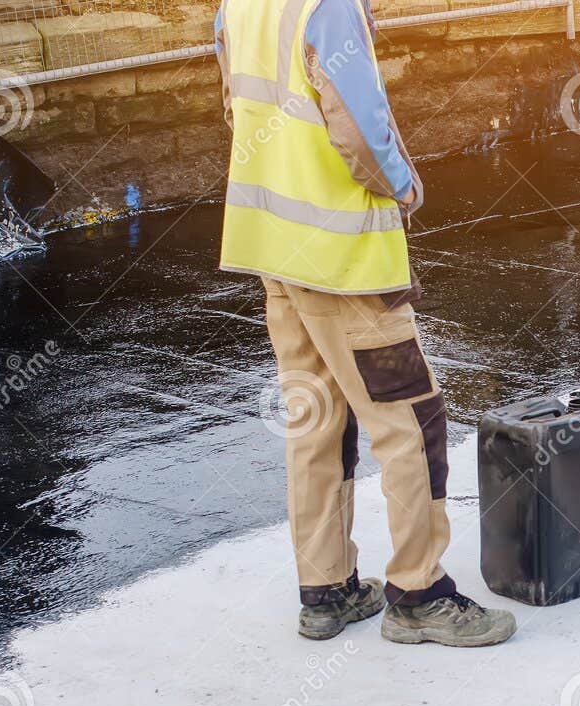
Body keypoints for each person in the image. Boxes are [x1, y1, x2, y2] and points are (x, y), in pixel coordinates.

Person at [214, 0, 516, 645]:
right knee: (410, 420)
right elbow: (356, 130)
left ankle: (326, 591)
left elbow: (233, 106)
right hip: (342, 258)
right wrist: (404, 186)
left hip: (275, 247)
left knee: (317, 417)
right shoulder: (329, 8)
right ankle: (418, 593)